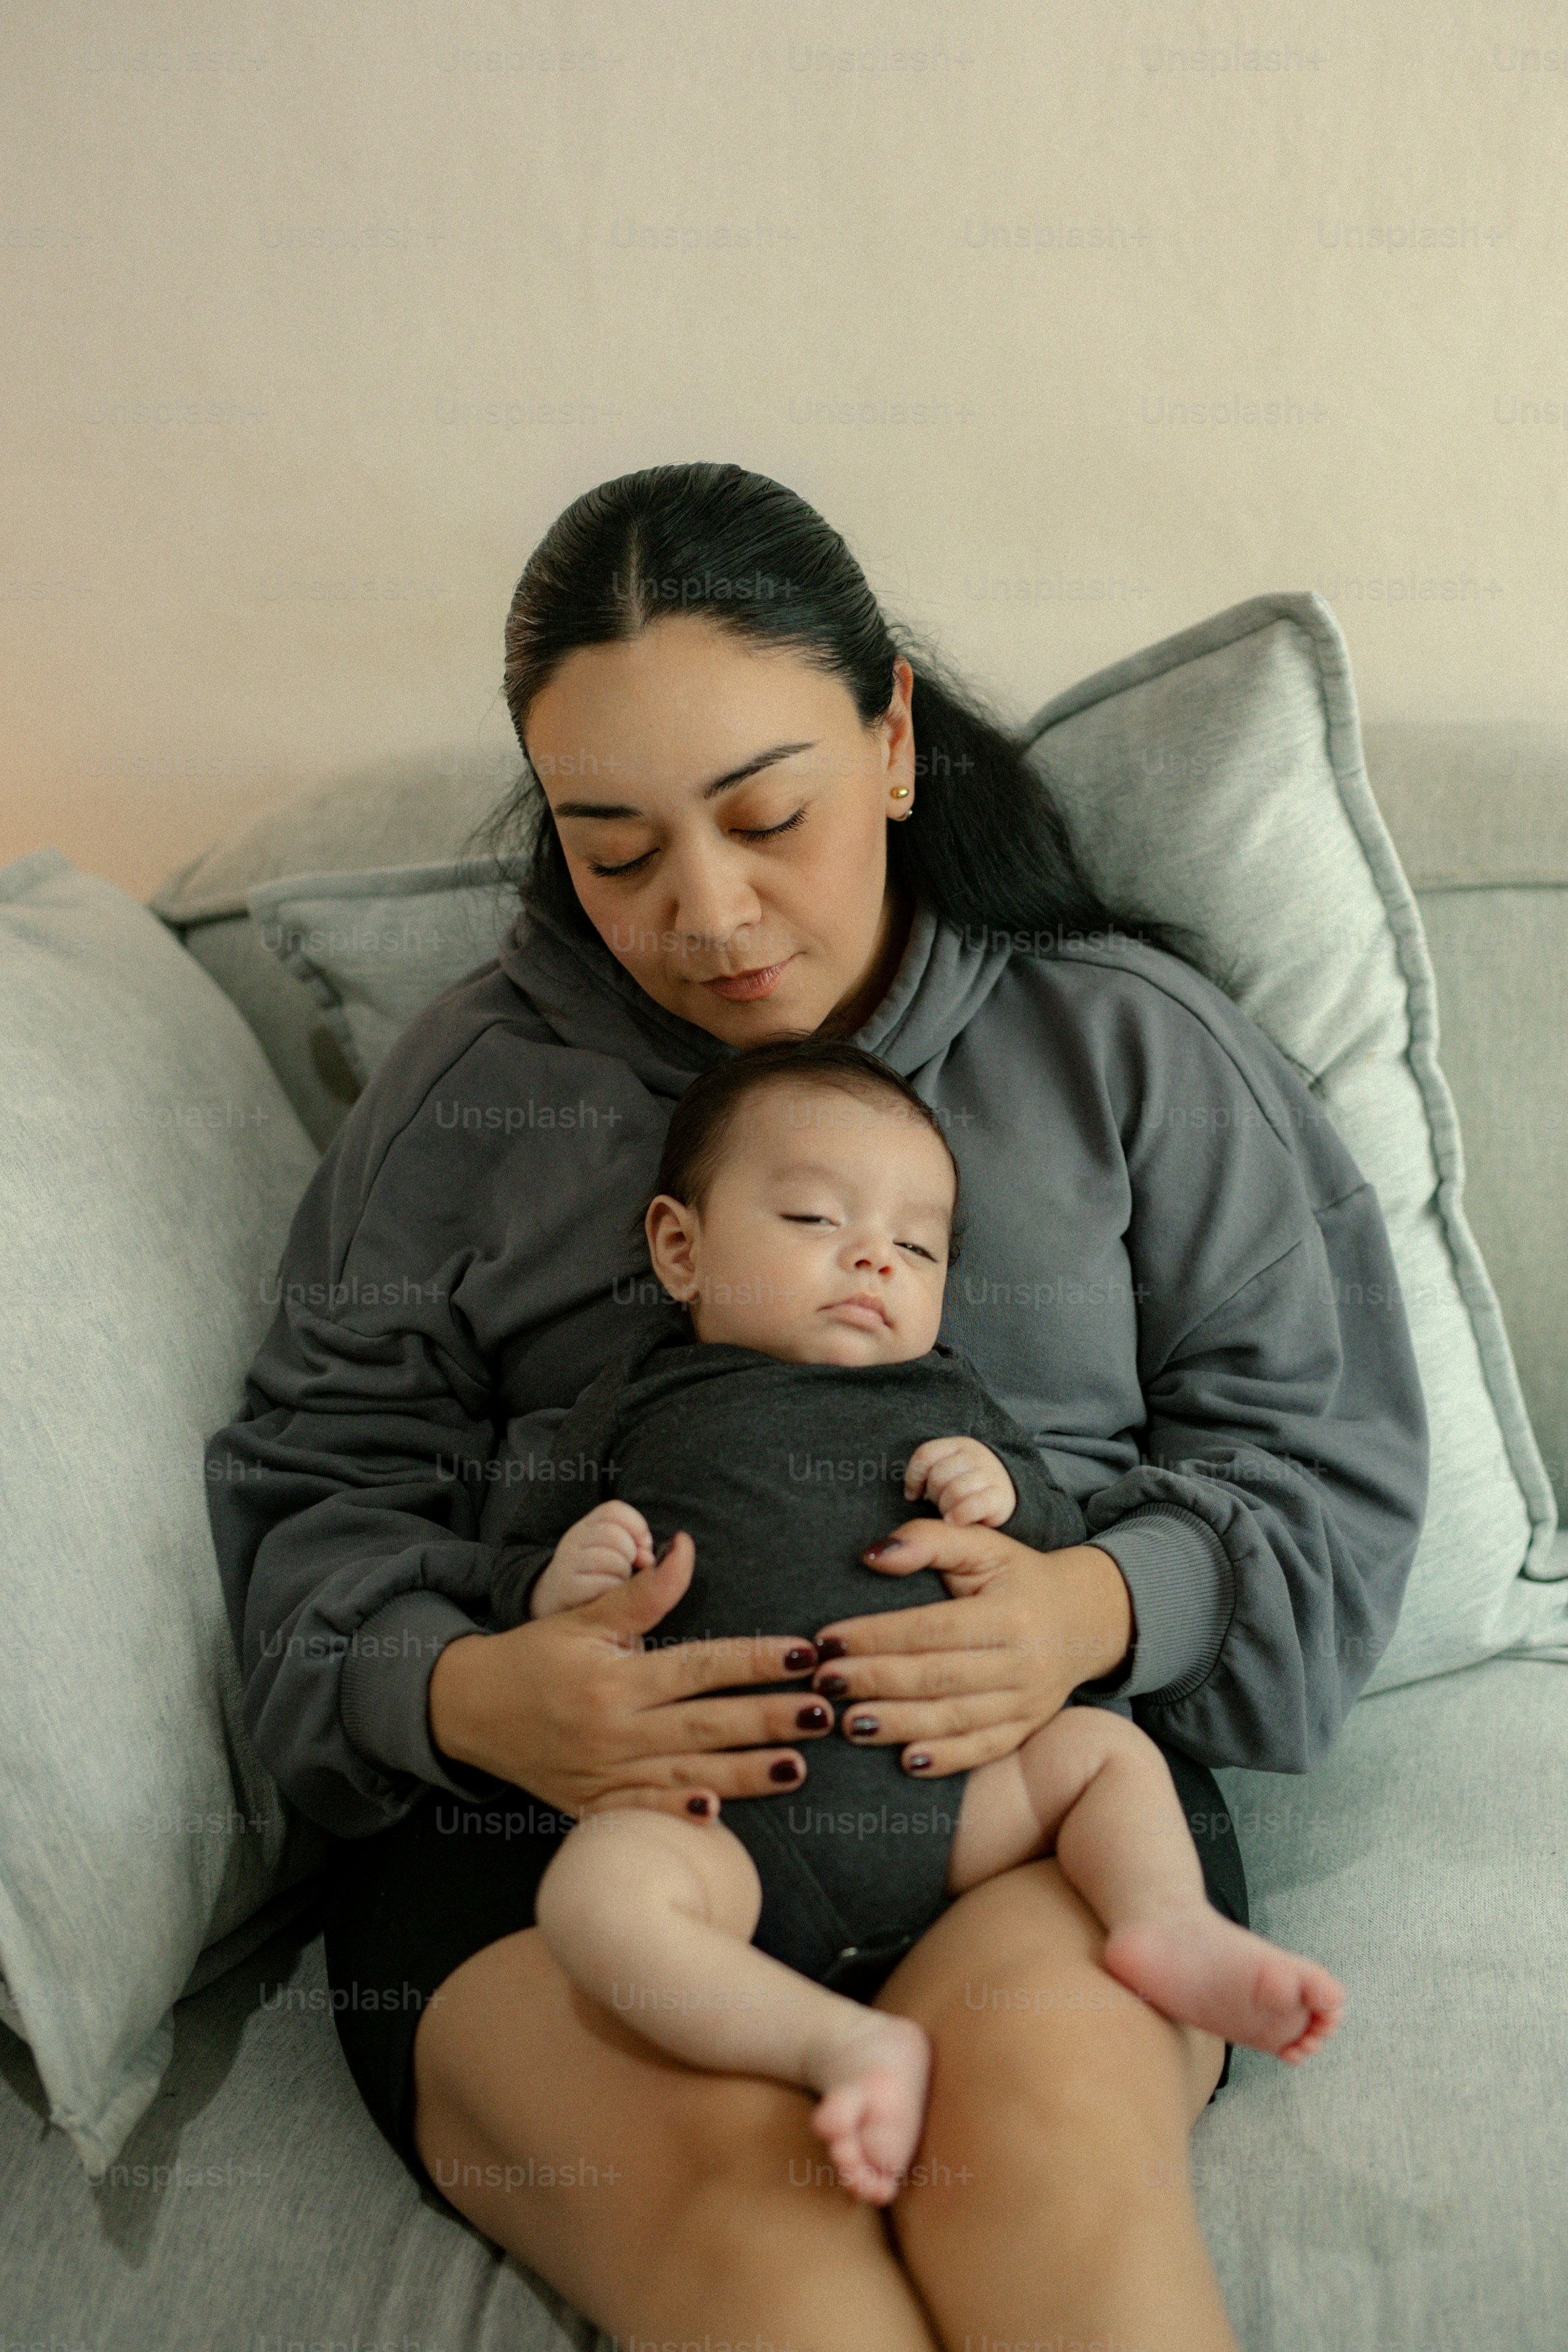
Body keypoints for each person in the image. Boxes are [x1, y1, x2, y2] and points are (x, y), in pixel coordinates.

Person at [207, 461, 1428, 2352]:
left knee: (1045, 2183)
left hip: (994, 1817)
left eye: (765, 812)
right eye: (612, 848)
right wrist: (476, 1690)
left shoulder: (1120, 1044)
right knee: (765, 2257)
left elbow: (1317, 1464)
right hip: (555, 1844)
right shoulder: (470, 1097)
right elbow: (311, 1502)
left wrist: (1081, 1609)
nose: (704, 911)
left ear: (893, 740)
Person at [490, 1036, 1346, 2205]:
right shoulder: (639, 1400)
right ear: (680, 1248)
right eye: (810, 1218)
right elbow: (519, 1556)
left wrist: (1005, 1495)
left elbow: (1045, 1562)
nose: (870, 1260)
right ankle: (830, 2044)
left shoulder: (948, 1397)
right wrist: (557, 1582)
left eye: (916, 1245)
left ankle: (1164, 1924)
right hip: (719, 1817)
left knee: (1105, 1754)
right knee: (595, 1900)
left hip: (957, 1803)